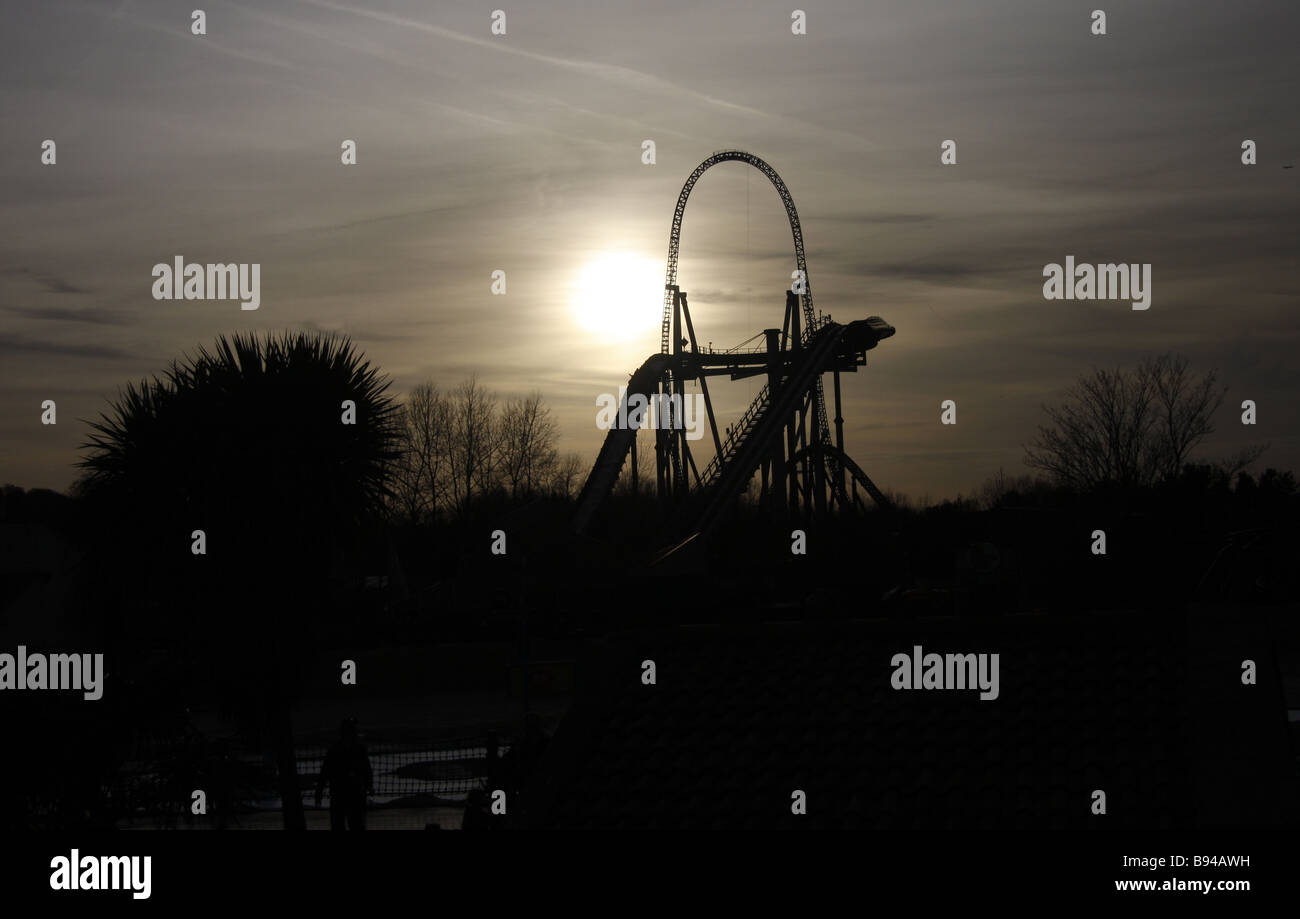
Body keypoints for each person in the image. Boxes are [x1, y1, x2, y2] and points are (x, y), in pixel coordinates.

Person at [314, 718, 372, 830]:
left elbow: (324, 773)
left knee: (346, 824)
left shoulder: (335, 750)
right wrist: (369, 785)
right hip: (349, 794)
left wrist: (319, 794)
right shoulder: (358, 749)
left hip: (343, 794)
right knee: (353, 824)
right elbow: (367, 769)